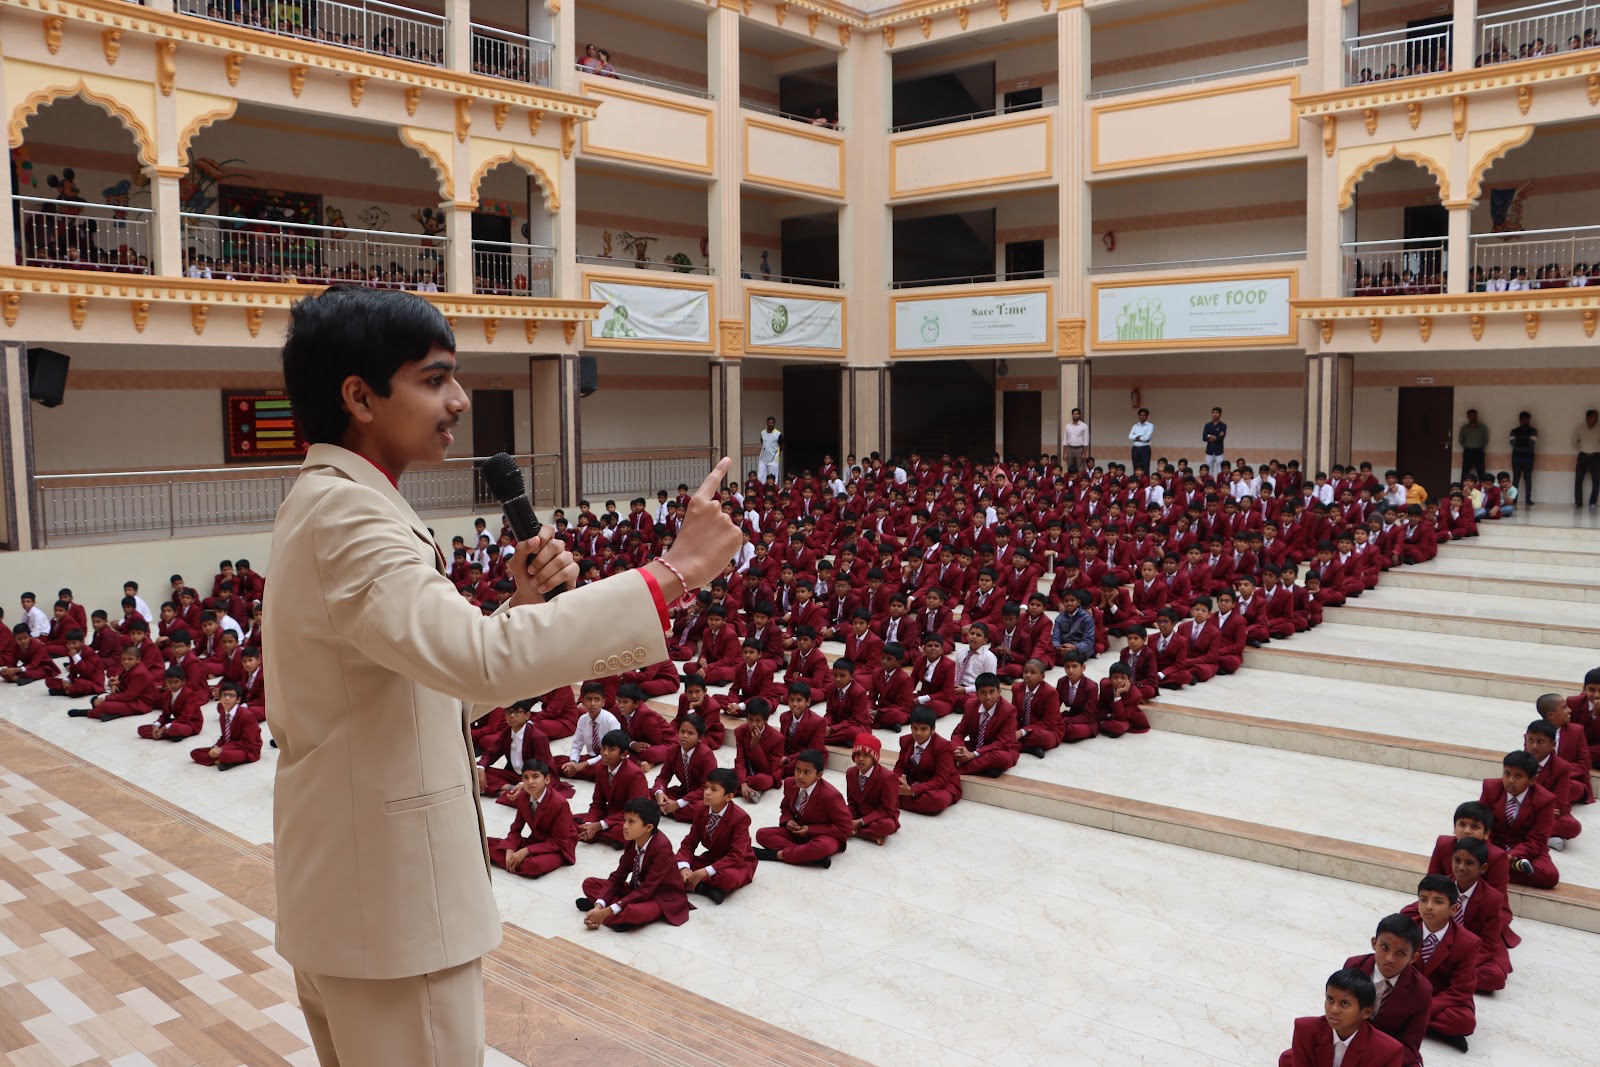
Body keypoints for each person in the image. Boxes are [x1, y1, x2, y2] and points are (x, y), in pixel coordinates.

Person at [266, 287, 739, 1067]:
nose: (458, 399)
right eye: (433, 378)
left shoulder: (329, 504)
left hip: (356, 903)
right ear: (360, 397)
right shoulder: (353, 519)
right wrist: (675, 572)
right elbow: (483, 662)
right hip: (394, 918)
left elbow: (431, 684)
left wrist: (517, 606)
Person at [578, 798, 693, 931]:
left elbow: (647, 889)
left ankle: (609, 914)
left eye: (631, 821)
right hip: (636, 889)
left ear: (648, 827)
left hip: (660, 898)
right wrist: (599, 906)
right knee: (589, 883)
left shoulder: (662, 848)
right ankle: (607, 911)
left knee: (634, 912)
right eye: (625, 820)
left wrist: (606, 912)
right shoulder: (633, 839)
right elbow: (618, 876)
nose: (625, 825)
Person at [1341, 914, 1429, 1067]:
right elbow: (1340, 1014)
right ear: (1374, 943)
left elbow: (1410, 1045)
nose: (1389, 958)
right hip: (1350, 1043)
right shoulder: (1354, 966)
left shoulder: (1421, 989)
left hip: (1388, 1054)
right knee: (1290, 1058)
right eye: (1384, 947)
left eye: (1400, 953)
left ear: (1413, 958)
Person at [1277, 967, 1405, 1067]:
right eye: (1330, 999)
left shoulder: (1387, 1051)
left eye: (1345, 1003)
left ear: (1366, 1012)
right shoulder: (1305, 1029)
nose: (1333, 1009)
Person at [1410, 874, 1480, 1051]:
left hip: (1442, 1000)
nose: (1429, 907)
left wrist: (1421, 1008)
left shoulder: (1468, 943)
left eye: (1438, 902)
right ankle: (1431, 1029)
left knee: (1465, 1021)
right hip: (1409, 992)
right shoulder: (1406, 929)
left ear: (1453, 909)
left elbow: (1460, 991)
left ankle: (1409, 1020)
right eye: (1423, 900)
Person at [752, 749, 852, 867]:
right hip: (798, 833)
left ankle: (774, 855)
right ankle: (811, 856)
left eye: (807, 772)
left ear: (819, 775)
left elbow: (846, 827)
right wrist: (788, 820)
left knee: (821, 847)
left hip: (824, 836)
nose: (800, 776)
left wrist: (810, 830)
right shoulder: (790, 783)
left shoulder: (830, 795)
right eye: (797, 770)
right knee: (762, 834)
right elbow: (785, 807)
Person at [675, 768, 756, 904]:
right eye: (706, 787)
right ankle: (703, 887)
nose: (706, 792)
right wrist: (684, 868)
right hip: (712, 859)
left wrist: (703, 873)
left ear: (729, 797)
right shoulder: (701, 810)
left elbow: (736, 856)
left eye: (714, 789)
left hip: (737, 864)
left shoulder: (740, 818)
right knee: (670, 862)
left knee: (728, 878)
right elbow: (689, 843)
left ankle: (697, 883)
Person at [486, 761, 576, 879]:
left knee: (534, 866)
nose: (530, 782)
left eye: (535, 776)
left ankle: (518, 861)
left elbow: (560, 841)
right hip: (536, 841)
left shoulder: (560, 803)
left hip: (559, 848)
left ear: (547, 779)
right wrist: (510, 849)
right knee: (485, 843)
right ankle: (514, 861)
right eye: (525, 778)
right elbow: (516, 829)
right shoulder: (523, 797)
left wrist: (526, 851)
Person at [1508, 410, 1537, 505]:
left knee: (1528, 479)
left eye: (1528, 419)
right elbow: (1512, 443)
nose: (1527, 421)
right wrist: (1525, 443)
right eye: (1526, 419)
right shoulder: (1514, 431)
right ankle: (1514, 498)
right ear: (1521, 420)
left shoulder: (1533, 430)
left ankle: (1528, 499)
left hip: (1527, 458)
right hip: (1517, 458)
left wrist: (1519, 443)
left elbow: (1532, 443)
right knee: (1516, 479)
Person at [1574, 408, 1600, 508]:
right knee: (1578, 479)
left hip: (1596, 456)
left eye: (1597, 416)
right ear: (1588, 417)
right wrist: (1581, 448)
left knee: (1596, 480)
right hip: (1583, 455)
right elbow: (1574, 441)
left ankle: (1592, 502)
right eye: (1594, 415)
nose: (1597, 417)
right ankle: (1578, 502)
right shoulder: (1580, 428)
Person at [1458, 408, 1489, 482]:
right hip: (1468, 451)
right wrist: (1467, 446)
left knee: (1481, 472)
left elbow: (1486, 440)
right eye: (1470, 415)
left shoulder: (1483, 428)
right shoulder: (1464, 428)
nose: (1472, 417)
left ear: (1476, 416)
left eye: (1473, 415)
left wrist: (1481, 447)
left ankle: (1483, 490)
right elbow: (1461, 440)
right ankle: (1462, 490)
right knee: (1465, 472)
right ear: (1468, 417)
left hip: (1479, 451)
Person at [1062, 407, 1090, 472]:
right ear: (1072, 415)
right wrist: (1064, 453)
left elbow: (1086, 441)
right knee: (1070, 467)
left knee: (1080, 468)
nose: (1075, 415)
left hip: (1079, 449)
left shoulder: (1084, 426)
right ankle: (1070, 482)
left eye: (1077, 414)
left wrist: (1084, 453)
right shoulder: (1067, 426)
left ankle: (1079, 481)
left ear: (1080, 415)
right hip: (1070, 449)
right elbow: (1065, 440)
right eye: (1074, 414)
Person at [1128, 407, 1153, 474]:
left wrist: (1136, 437)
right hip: (1135, 448)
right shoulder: (1135, 426)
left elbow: (1146, 438)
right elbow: (1130, 436)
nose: (1142, 417)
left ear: (1147, 416)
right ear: (1138, 416)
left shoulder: (1150, 426)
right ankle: (1135, 483)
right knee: (1136, 466)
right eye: (1140, 415)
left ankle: (1146, 483)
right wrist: (1140, 437)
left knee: (1145, 466)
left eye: (1144, 415)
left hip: (1145, 449)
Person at [757, 416, 783, 484]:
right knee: (760, 477)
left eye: (772, 423)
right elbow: (763, 442)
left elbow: (782, 445)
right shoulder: (762, 432)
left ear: (774, 423)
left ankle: (773, 492)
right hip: (763, 458)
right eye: (769, 422)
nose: (770, 424)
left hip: (773, 459)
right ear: (767, 423)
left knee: (772, 477)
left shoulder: (778, 434)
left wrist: (777, 453)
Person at [1201, 407, 1227, 473]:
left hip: (1219, 452)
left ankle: (1219, 483)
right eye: (1213, 413)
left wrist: (1209, 436)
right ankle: (1209, 483)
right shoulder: (1207, 425)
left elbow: (1220, 439)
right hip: (1209, 451)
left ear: (1220, 414)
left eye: (1217, 413)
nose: (1215, 414)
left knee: (1220, 471)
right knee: (1209, 470)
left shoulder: (1223, 425)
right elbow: (1204, 438)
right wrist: (1215, 436)